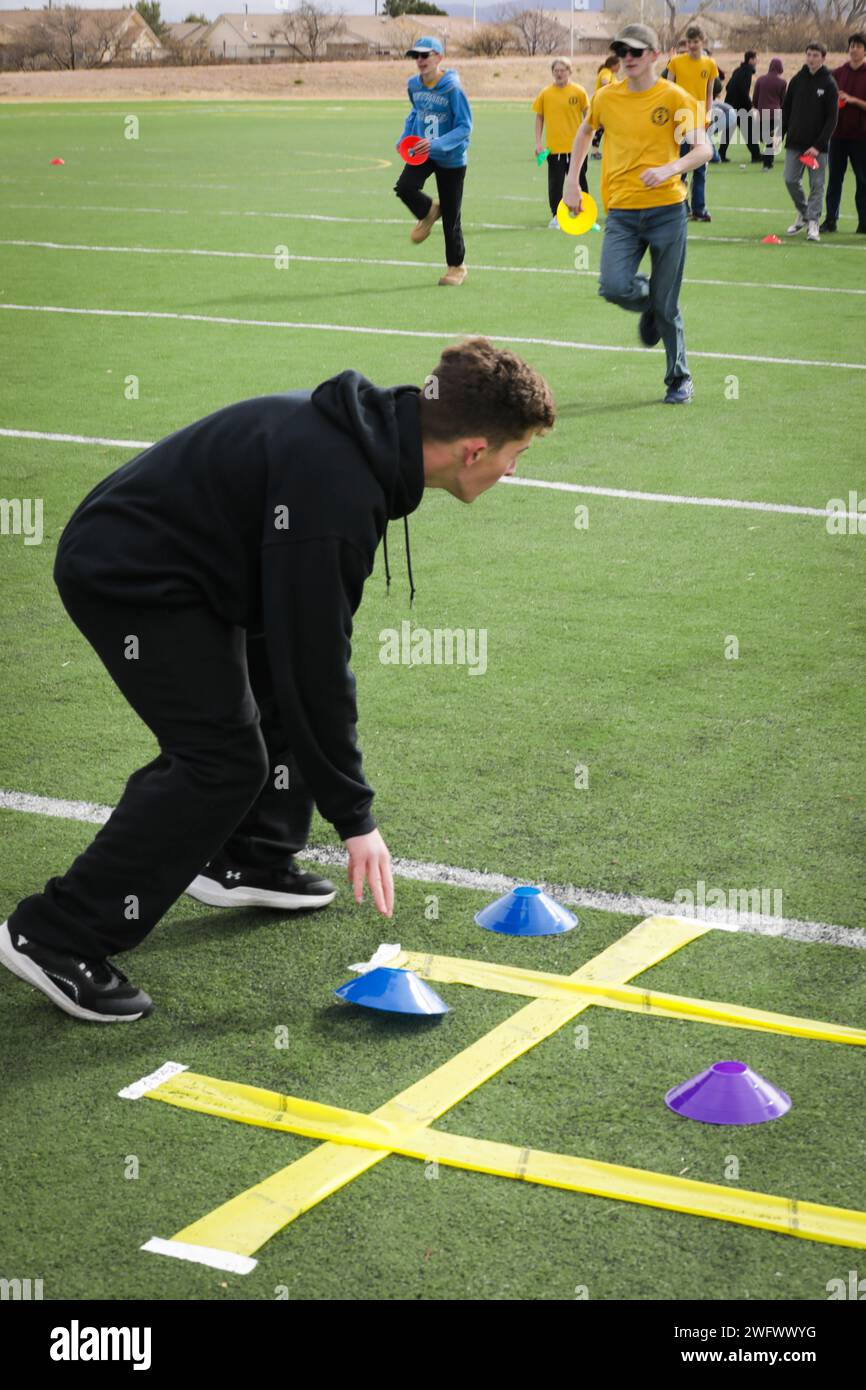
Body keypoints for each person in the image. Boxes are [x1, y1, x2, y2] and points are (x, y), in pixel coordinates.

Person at [0, 340, 556, 1023]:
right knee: (220, 760)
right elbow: (317, 662)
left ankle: (249, 860)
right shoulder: (340, 489)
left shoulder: (368, 449)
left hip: (208, 570)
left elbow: (299, 653)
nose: (513, 470)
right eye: (516, 454)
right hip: (132, 574)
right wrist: (355, 818)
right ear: (473, 449)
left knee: (275, 692)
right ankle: (57, 934)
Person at [563, 23, 712, 405]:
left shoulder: (676, 97)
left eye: (635, 52)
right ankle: (651, 303)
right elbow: (584, 134)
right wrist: (572, 181)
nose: (627, 58)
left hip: (667, 211)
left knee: (667, 305)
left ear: (654, 56)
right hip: (622, 213)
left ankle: (679, 378)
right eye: (622, 52)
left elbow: (703, 149)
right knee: (613, 285)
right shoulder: (606, 98)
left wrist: (668, 169)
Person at [394, 35, 473, 286]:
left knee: (452, 216)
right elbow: (416, 112)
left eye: (425, 55)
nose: (420, 60)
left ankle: (456, 267)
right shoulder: (413, 85)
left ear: (439, 57)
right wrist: (406, 137)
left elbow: (464, 127)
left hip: (451, 156)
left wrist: (436, 144)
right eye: (416, 56)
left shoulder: (452, 88)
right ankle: (428, 210)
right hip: (422, 150)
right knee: (405, 187)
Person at [782, 41, 839, 242]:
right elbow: (786, 109)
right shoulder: (797, 80)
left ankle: (813, 222)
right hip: (795, 143)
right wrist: (780, 134)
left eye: (816, 55)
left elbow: (832, 119)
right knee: (789, 179)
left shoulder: (829, 83)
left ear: (823, 58)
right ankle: (804, 213)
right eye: (809, 54)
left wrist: (818, 145)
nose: (811, 58)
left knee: (817, 184)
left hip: (818, 148)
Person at [666, 25, 718, 220]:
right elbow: (668, 89)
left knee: (700, 168)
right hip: (680, 119)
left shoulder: (710, 64)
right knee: (680, 166)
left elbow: (709, 92)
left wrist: (709, 115)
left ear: (702, 42)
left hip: (699, 121)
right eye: (689, 42)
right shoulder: (676, 62)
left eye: (696, 42)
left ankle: (699, 208)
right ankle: (680, 205)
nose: (692, 45)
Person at [532, 56, 589, 227]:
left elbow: (589, 116)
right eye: (555, 71)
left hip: (577, 149)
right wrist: (538, 143)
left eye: (562, 70)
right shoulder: (545, 93)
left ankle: (583, 214)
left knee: (579, 180)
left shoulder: (579, 92)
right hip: (555, 148)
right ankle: (557, 216)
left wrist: (587, 138)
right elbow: (539, 118)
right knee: (555, 184)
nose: (558, 74)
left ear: (569, 72)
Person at [822, 32, 866, 233]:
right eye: (851, 45)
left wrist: (853, 100)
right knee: (834, 181)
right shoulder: (838, 73)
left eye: (858, 45)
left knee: (863, 181)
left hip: (861, 137)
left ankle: (863, 222)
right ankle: (831, 220)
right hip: (838, 136)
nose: (853, 49)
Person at [720, 50, 760, 162]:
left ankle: (721, 154)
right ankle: (756, 155)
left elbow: (728, 87)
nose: (757, 61)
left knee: (728, 131)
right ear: (751, 60)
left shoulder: (738, 70)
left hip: (730, 105)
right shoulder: (747, 72)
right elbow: (743, 91)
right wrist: (750, 105)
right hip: (740, 107)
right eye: (756, 59)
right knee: (749, 131)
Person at [752, 58, 786, 170]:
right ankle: (768, 163)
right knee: (769, 140)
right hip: (775, 113)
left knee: (766, 139)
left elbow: (755, 97)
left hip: (762, 113)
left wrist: (757, 106)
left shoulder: (760, 80)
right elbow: (783, 100)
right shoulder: (782, 82)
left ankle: (767, 163)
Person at [590, 53, 620, 158]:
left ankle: (595, 151)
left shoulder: (610, 73)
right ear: (613, 65)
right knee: (604, 128)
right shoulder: (606, 72)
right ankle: (595, 152)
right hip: (603, 105)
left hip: (605, 105)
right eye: (618, 65)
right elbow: (604, 82)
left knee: (601, 129)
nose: (619, 67)